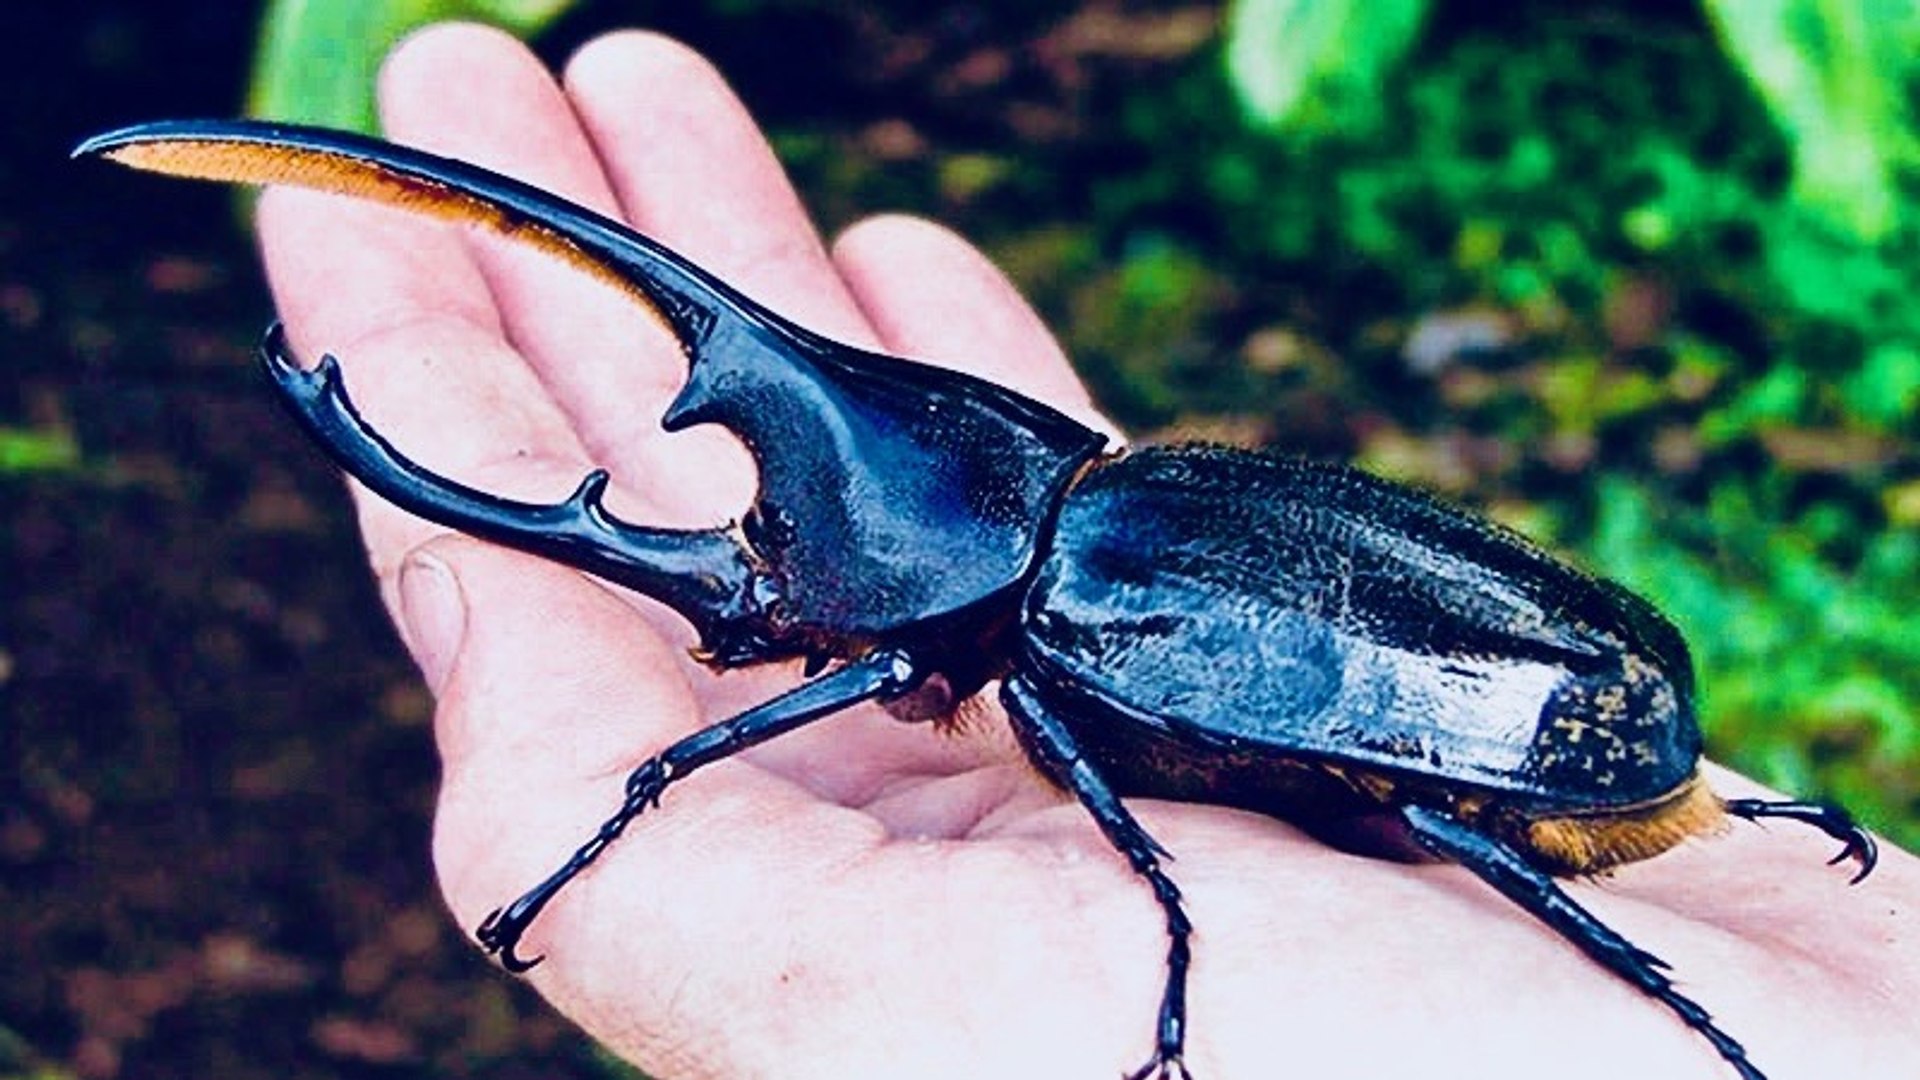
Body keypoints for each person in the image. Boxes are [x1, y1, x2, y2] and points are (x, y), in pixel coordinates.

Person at [257, 22, 1920, 1080]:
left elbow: (1097, 754)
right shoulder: (1099, 502)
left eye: (790, 581)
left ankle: (1679, 1001)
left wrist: (653, 786)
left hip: (1570, 755)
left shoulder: (1081, 612)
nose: (754, 598)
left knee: (1417, 808)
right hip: (1611, 699)